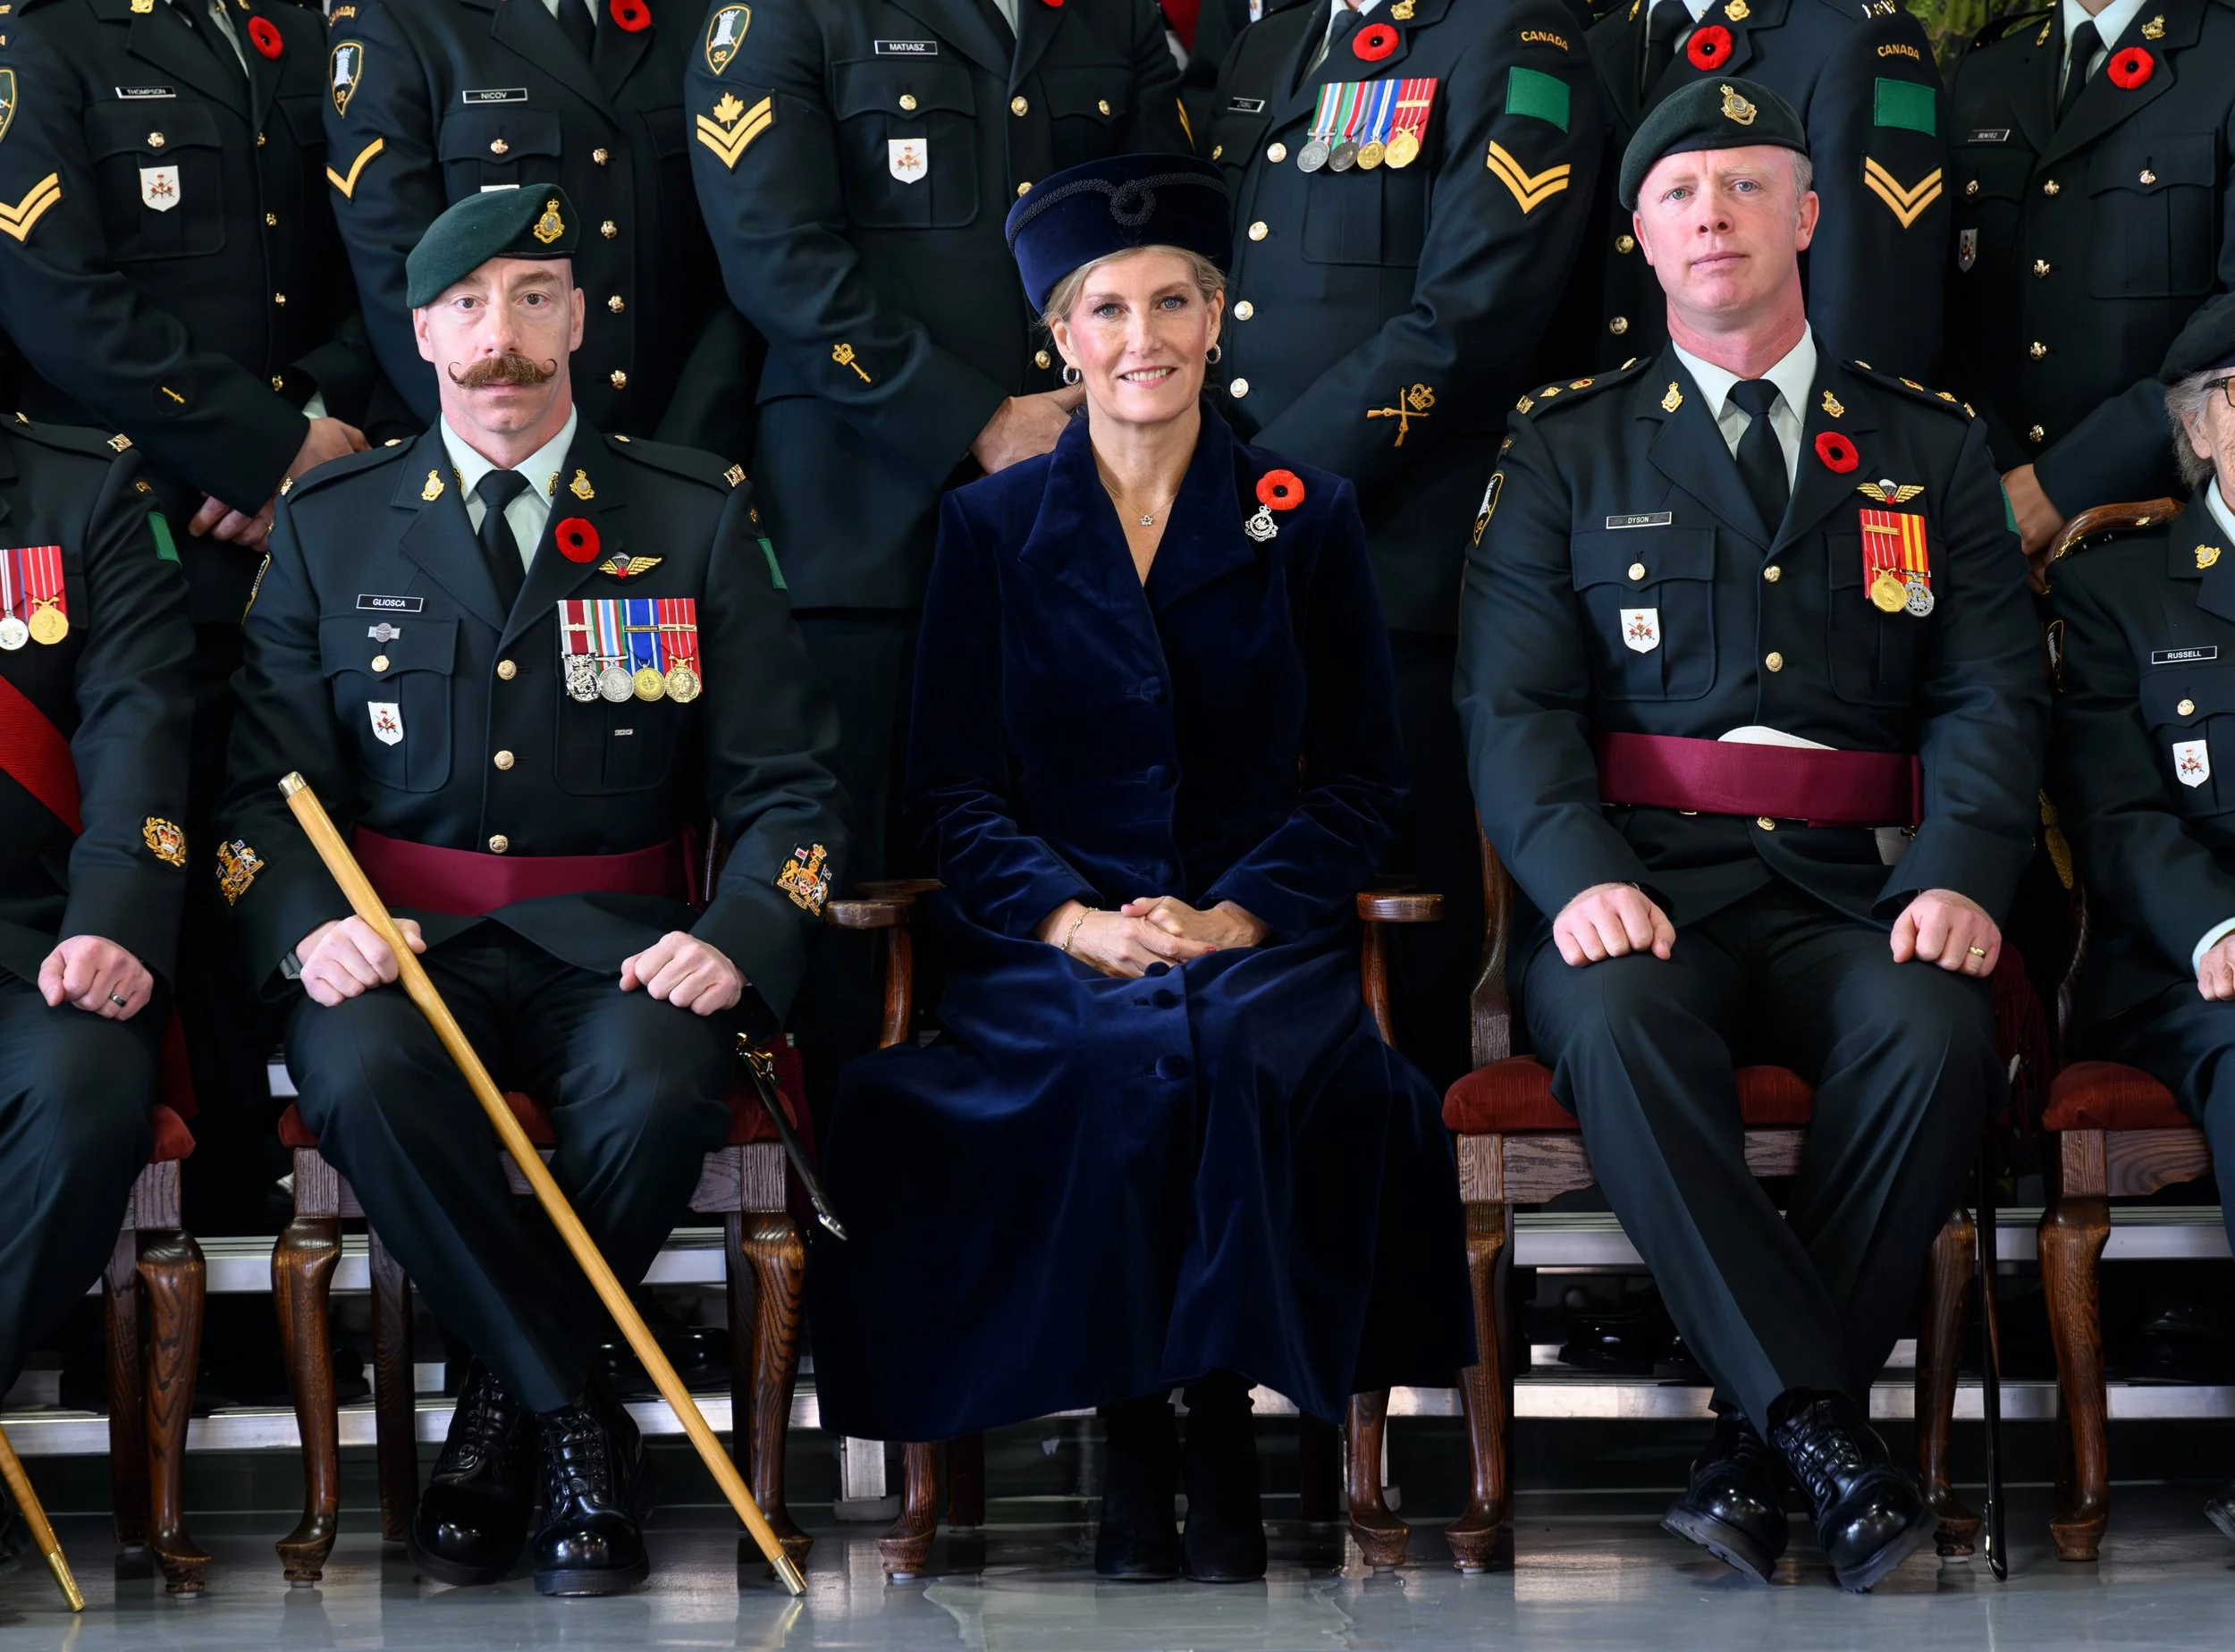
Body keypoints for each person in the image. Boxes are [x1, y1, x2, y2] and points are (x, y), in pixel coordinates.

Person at [807, 153, 1472, 1585]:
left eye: (1175, 302)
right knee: (1103, 1066)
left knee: (1240, 1056)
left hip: (1257, 931)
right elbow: (951, 788)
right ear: (1060, 337)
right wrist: (1066, 917)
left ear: (1220, 319)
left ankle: (1218, 1426)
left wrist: (1237, 913)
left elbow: (1366, 780)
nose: (1143, 338)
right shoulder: (987, 531)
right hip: (1053, 939)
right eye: (1106, 310)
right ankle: (1133, 1433)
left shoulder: (1305, 515)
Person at [1455, 80, 2046, 1591]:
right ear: (1641, 240)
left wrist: (1959, 873)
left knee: (1933, 1024)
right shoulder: (1565, 452)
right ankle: (1820, 1433)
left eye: (1743, 186)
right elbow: (1511, 706)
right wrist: (1578, 877)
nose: (1709, 215)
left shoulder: (1932, 447)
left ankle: (1763, 1442)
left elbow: (1990, 686)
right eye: (1677, 195)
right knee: (1625, 1022)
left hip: (1860, 890)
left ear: (1808, 215)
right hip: (1646, 889)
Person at [216, 186, 849, 1597]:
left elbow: (790, 784)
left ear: (582, 315)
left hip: (622, 942)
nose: (501, 339)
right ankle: (574, 1419)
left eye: (534, 296)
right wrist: (307, 927)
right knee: (365, 1079)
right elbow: (259, 789)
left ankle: (504, 1418)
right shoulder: (333, 521)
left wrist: (737, 937)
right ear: (420, 327)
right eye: (466, 305)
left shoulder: (689, 509)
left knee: (658, 1078)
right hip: (402, 945)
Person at [685, 0, 1190, 1117]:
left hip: (1078, 507)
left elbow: (1155, 228)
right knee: (859, 894)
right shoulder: (782, 17)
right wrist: (974, 419)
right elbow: (775, 255)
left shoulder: (1115, 20)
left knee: (1075, 864)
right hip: (860, 522)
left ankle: (1063, 1189)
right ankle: (852, 1215)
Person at [0, 0, 379, 1219]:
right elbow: (58, 298)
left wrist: (321, 425)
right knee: (197, 908)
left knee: (329, 888)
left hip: (336, 522)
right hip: (149, 538)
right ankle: (231, 1240)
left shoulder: (311, 32)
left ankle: (355, 1251)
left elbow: (382, 251)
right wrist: (262, 449)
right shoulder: (45, 44)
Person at [1202, 0, 1602, 1084]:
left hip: (1398, 547)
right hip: (1224, 537)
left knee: (1406, 912)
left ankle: (1412, 1195)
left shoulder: (1517, 38)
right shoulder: (1274, 41)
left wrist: (1263, 489)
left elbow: (1471, 314)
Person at [2044, 303, 2235, 1544]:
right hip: (2191, 966)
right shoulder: (2118, 592)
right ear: (2206, 422)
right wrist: (2222, 932)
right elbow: (2115, 818)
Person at [0, 417, 192, 1516]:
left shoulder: (87, 491)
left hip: (36, 943)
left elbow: (139, 727)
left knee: (87, 1102)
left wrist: (114, 917)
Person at [324, 0, 743, 447]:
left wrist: (693, 438)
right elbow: (397, 271)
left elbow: (732, 262)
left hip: (680, 438)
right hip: (488, 448)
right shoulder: (399, 17)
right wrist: (509, 439)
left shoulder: (696, 14)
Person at [1947, 0, 2235, 573]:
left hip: (2162, 530)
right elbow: (1936, 302)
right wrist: (1997, 484)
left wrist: (2063, 482)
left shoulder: (2224, 54)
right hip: (1980, 523)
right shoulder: (1985, 69)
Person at [1575, 0, 1948, 377]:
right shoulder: (1596, 38)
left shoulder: (1851, 34)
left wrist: (1837, 425)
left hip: (1776, 412)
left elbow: (1872, 298)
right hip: (1604, 411)